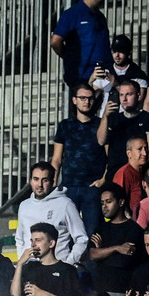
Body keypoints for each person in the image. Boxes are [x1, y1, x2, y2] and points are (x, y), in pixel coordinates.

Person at [51, 81, 110, 236]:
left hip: (92, 187)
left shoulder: (101, 124)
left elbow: (110, 156)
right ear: (74, 100)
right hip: (68, 186)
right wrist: (54, 184)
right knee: (66, 233)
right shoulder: (65, 125)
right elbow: (56, 159)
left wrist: (103, 179)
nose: (87, 101)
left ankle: (91, 261)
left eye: (90, 98)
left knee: (92, 233)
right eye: (82, 98)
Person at [15, 162, 87, 265]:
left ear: (53, 181)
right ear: (30, 181)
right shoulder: (24, 205)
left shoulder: (65, 204)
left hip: (57, 272)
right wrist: (23, 262)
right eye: (36, 179)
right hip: (30, 269)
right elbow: (19, 238)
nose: (40, 185)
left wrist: (67, 264)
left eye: (45, 180)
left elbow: (81, 238)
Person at [88, 182, 145, 296]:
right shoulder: (101, 228)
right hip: (100, 292)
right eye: (102, 203)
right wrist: (117, 248)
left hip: (122, 292)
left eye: (108, 202)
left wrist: (102, 251)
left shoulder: (134, 229)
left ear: (121, 202)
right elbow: (93, 254)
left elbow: (123, 261)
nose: (104, 206)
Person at [50, 0, 110, 85]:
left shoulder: (100, 17)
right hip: (82, 75)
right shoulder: (72, 14)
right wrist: (68, 57)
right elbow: (55, 41)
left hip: (102, 74)